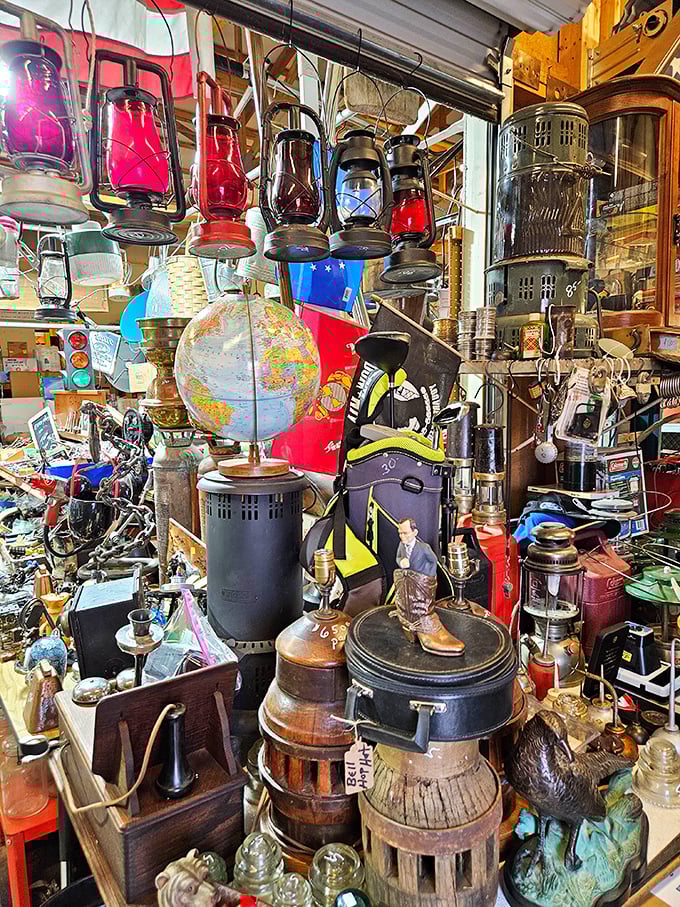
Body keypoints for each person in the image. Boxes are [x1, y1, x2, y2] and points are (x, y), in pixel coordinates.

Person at [391, 518, 465, 656]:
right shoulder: (401, 546)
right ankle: (410, 621)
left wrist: (428, 577)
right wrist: (401, 562)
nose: (402, 536)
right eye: (400, 533)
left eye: (405, 533)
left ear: (414, 532)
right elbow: (398, 558)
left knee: (423, 599)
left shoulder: (423, 547)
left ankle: (418, 622)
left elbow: (433, 560)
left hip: (423, 579)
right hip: (407, 580)